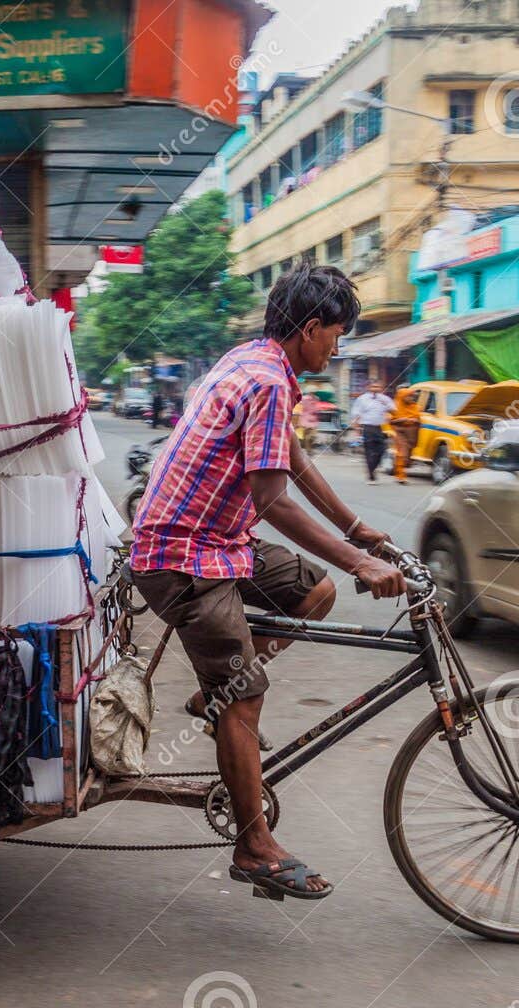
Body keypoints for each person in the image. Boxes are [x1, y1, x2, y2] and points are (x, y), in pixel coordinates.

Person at [128, 261, 407, 902]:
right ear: (310, 329)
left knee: (314, 591)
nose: (337, 348)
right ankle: (254, 847)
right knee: (247, 694)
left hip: (219, 544)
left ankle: (215, 698)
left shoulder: (256, 361)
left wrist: (356, 528)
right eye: (335, 335)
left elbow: (294, 459)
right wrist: (359, 560)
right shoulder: (267, 380)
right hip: (183, 557)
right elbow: (272, 496)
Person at [349, 380, 395, 484]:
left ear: (381, 388)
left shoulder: (385, 399)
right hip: (367, 428)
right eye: (373, 386)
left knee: (382, 450)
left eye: (378, 387)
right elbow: (356, 414)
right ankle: (371, 476)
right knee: (369, 452)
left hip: (380, 428)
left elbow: (394, 410)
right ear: (369, 387)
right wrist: (356, 429)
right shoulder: (362, 399)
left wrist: (388, 410)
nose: (376, 389)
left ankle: (373, 469)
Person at [390, 387, 421, 484]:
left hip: (412, 433)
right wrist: (402, 420)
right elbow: (390, 420)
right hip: (400, 431)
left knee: (408, 456)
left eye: (412, 396)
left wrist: (415, 420)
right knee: (402, 454)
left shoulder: (415, 406)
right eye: (409, 396)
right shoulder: (394, 406)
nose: (411, 398)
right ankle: (401, 476)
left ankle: (398, 467)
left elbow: (418, 418)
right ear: (403, 397)